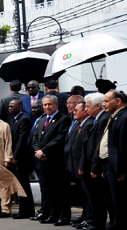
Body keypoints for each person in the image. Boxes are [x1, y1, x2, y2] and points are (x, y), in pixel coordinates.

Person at [32, 95, 71, 226]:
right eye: (45, 105)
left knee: (60, 189)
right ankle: (53, 214)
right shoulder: (42, 119)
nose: (47, 107)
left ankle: (64, 216)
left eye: (49, 104)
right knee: (48, 189)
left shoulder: (63, 119)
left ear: (56, 105)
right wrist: (38, 151)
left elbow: (60, 138)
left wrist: (44, 151)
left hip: (56, 160)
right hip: (42, 161)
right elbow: (35, 138)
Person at [99, 90, 127, 229]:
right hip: (109, 165)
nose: (104, 104)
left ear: (118, 101)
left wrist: (121, 170)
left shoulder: (123, 117)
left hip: (118, 168)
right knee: (114, 201)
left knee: (120, 201)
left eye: (107, 101)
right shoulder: (114, 117)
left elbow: (123, 147)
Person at [83, 93, 110, 230]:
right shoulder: (97, 119)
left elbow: (98, 147)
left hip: (99, 167)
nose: (85, 109)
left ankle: (99, 223)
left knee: (100, 198)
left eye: (88, 106)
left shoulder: (104, 119)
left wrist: (95, 168)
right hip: (93, 166)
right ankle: (95, 221)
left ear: (97, 106)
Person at [65, 101, 93, 226]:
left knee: (89, 195)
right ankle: (86, 216)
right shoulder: (78, 123)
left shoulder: (88, 124)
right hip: (74, 165)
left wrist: (82, 166)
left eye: (77, 110)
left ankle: (90, 218)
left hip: (82, 166)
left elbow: (84, 149)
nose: (74, 112)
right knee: (83, 194)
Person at [6, 98, 35, 219]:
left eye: (12, 106)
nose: (10, 108)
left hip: (21, 158)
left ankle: (26, 210)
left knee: (23, 185)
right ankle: (26, 210)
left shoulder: (24, 120)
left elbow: (22, 141)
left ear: (19, 107)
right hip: (16, 156)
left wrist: (16, 157)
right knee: (20, 185)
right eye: (9, 106)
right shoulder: (15, 119)